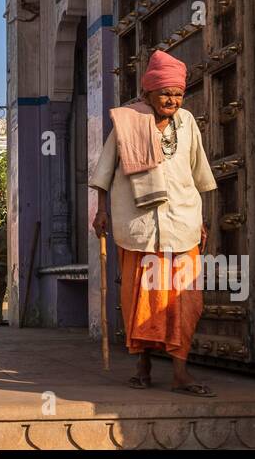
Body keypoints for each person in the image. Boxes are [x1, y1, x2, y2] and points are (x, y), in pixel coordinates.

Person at [88, 50, 218, 396]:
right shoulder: (127, 122)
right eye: (165, 93)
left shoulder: (187, 122)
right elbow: (104, 171)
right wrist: (101, 210)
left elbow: (197, 171)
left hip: (183, 224)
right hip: (139, 228)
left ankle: (180, 373)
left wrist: (201, 218)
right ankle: (143, 367)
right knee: (141, 299)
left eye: (177, 93)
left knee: (185, 300)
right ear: (148, 93)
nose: (172, 99)